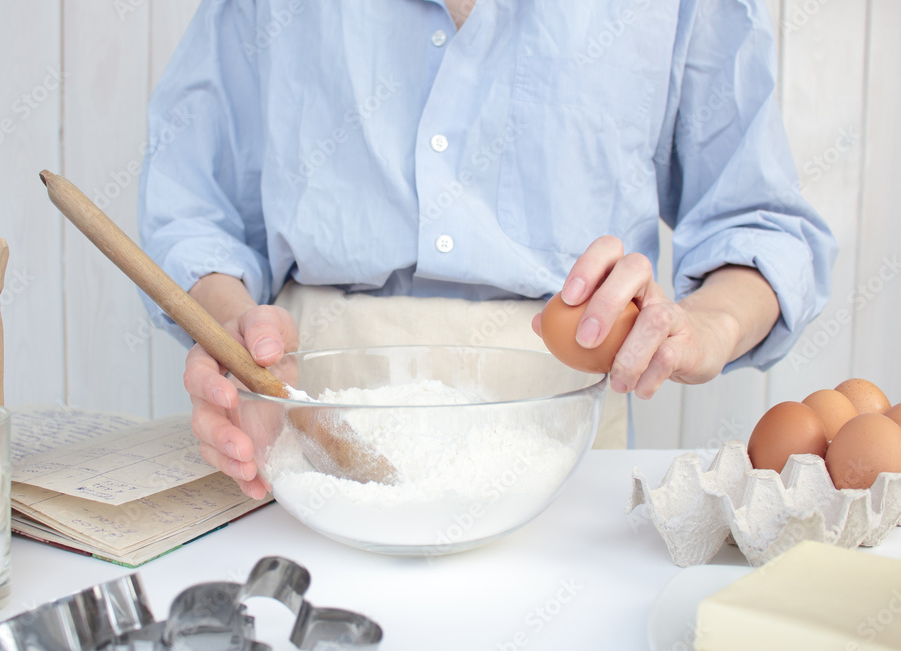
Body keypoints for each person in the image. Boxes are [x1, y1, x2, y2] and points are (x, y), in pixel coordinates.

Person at [138, 0, 836, 500]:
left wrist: (705, 324)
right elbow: (194, 202)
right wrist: (233, 332)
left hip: (566, 463)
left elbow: (759, 222)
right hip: (305, 436)